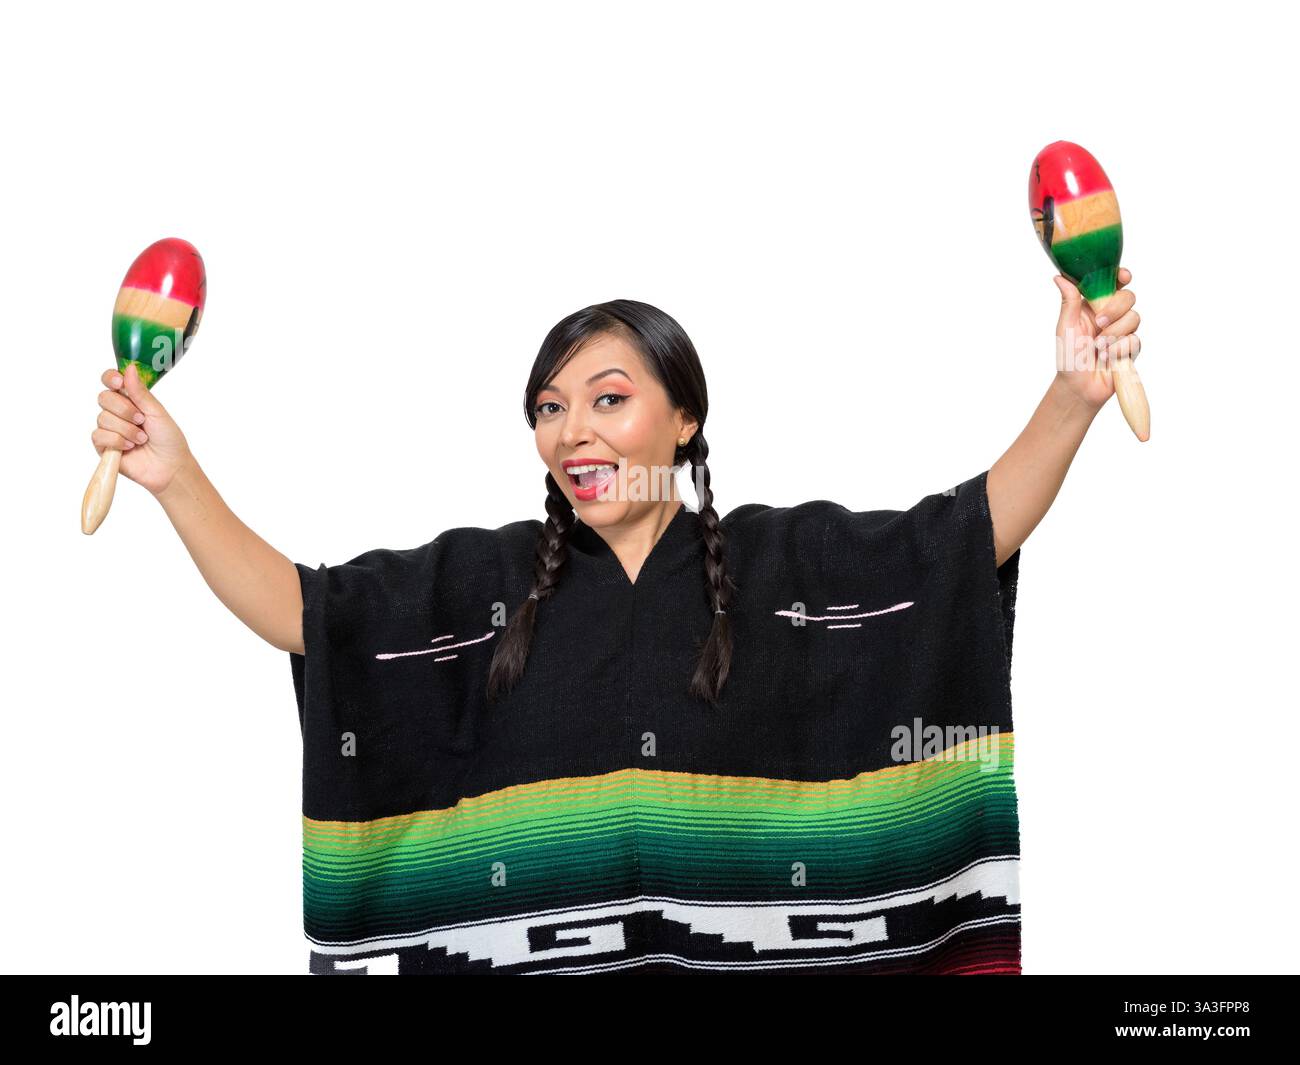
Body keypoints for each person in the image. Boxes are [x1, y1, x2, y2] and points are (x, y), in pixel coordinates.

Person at [89, 270, 1140, 974]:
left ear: (684, 419)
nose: (571, 432)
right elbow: (308, 615)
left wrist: (1072, 394)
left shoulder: (789, 565)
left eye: (607, 399)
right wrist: (176, 480)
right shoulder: (481, 584)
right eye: (549, 408)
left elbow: (961, 543)